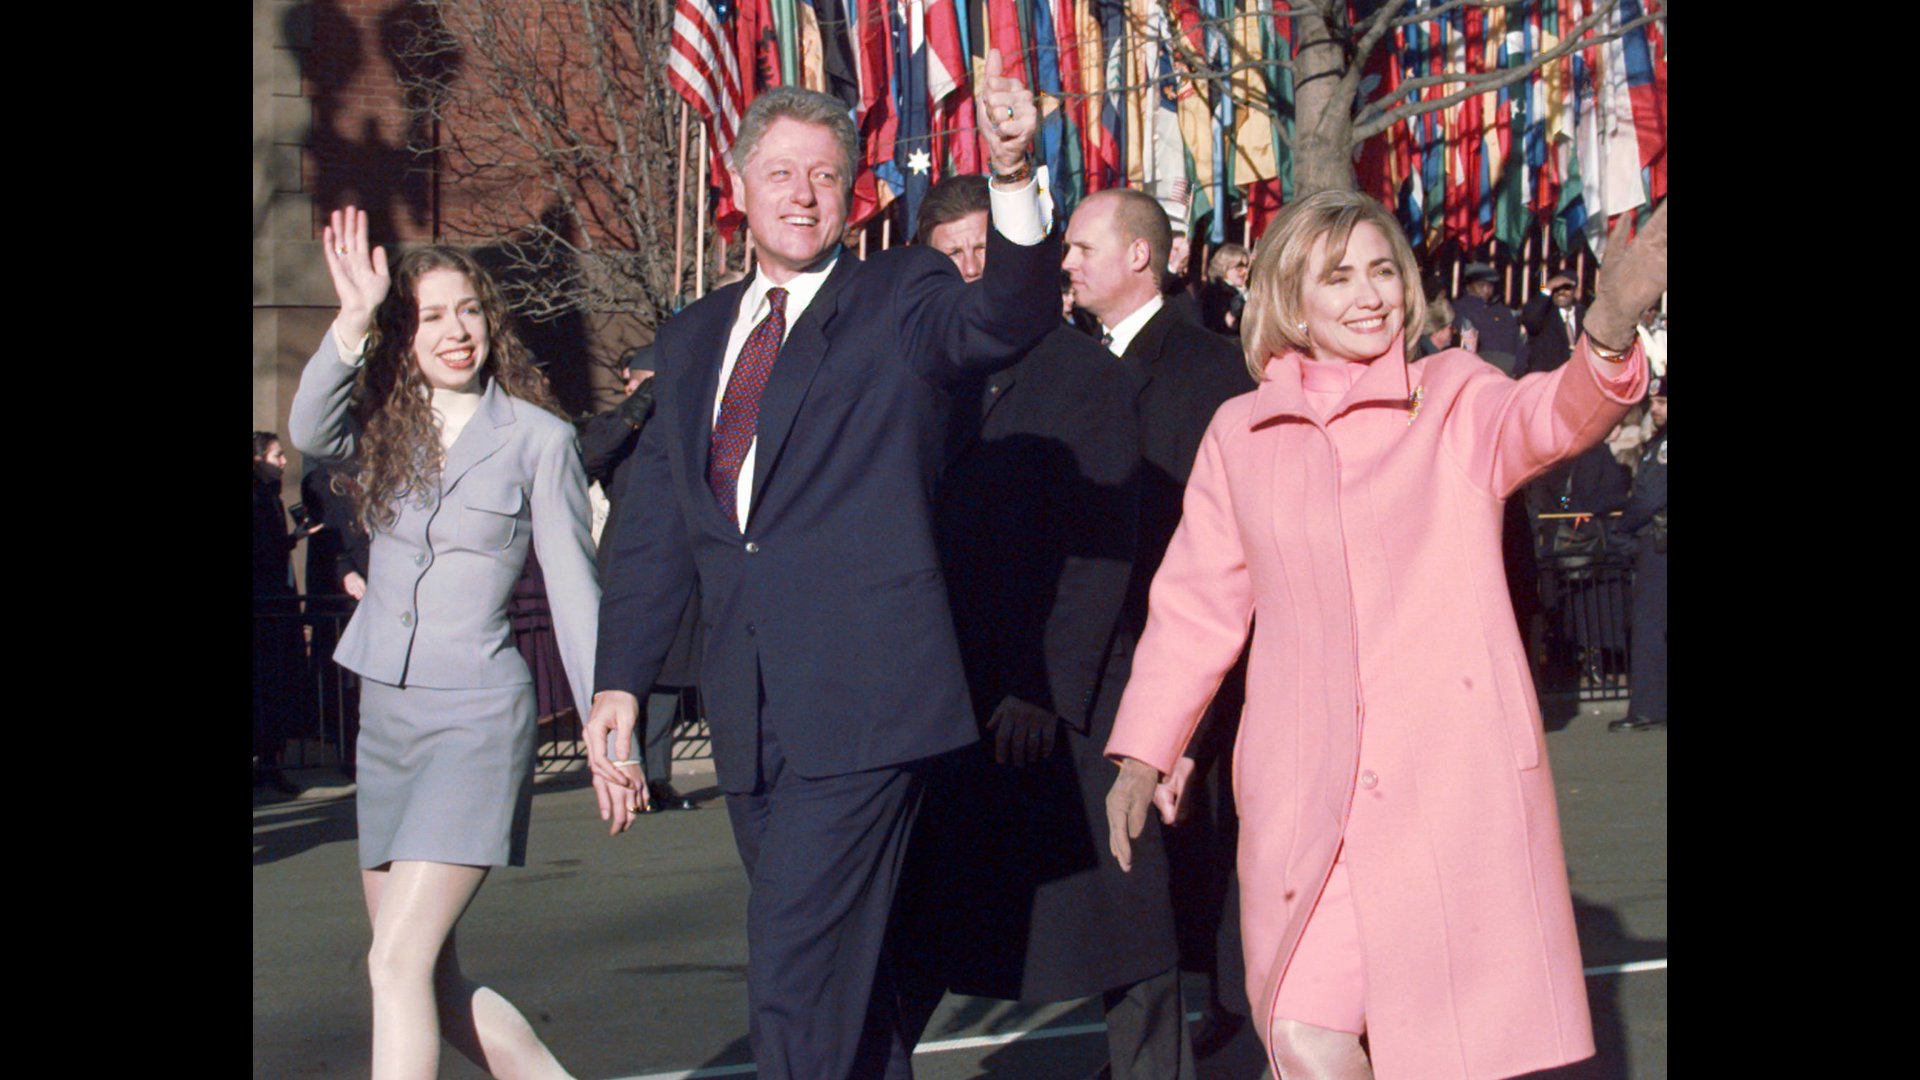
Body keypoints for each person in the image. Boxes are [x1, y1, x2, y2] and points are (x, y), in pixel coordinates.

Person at [1104, 190, 1667, 1079]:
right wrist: (1145, 749)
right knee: (1300, 1033)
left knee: (1443, 1055)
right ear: (1289, 297)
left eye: (1382, 271)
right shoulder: (1238, 433)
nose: (1370, 295)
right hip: (1302, 795)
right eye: (1339, 277)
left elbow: (1548, 419)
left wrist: (1605, 327)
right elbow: (1197, 604)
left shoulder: (1452, 393)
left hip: (1447, 783)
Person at [586, 67, 1056, 1080]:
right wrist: (620, 679)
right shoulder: (693, 336)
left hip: (872, 699)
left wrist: (1012, 178)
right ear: (740, 182)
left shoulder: (901, 294)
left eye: (826, 175)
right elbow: (663, 533)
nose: (803, 193)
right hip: (753, 711)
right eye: (782, 171)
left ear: (853, 194)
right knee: (853, 976)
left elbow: (1003, 321)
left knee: (793, 969)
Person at [289, 206, 601, 1080]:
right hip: (386, 720)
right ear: (404, 332)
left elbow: (575, 589)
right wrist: (351, 320)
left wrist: (607, 721)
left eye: (468, 310)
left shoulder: (539, 440)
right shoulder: (388, 426)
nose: (457, 332)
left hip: (474, 720)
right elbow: (310, 434)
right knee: (422, 971)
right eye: (430, 315)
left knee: (395, 963)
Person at [896, 175, 1187, 1077]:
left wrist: (1044, 689)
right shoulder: (915, 377)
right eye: (956, 255)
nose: (977, 269)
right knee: (918, 936)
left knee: (1124, 927)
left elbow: (1099, 550)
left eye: (992, 248)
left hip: (1059, 702)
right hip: (944, 704)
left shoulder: (1083, 373)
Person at [578, 347, 703, 812]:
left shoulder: (679, 426)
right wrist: (636, 408)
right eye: (630, 384)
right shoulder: (621, 429)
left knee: (668, 680)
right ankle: (621, 762)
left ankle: (658, 775)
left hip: (675, 565)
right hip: (624, 561)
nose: (630, 388)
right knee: (625, 675)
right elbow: (591, 456)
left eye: (639, 381)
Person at [254, 431, 318, 794]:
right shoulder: (260, 498)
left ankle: (270, 760)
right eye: (277, 456)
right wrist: (292, 539)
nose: (283, 462)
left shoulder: (271, 497)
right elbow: (264, 551)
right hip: (266, 605)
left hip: (276, 603)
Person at [1608, 376, 1667, 733]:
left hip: (1657, 543)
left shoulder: (1662, 447)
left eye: (1661, 403)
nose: (1654, 409)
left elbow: (1650, 496)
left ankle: (1647, 707)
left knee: (1648, 627)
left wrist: (1623, 527)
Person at [1452, 262, 1522, 375]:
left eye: (1490, 285)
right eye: (1481, 285)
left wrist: (1518, 367)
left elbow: (1518, 340)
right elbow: (1468, 341)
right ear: (1468, 286)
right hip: (1479, 371)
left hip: (1508, 372)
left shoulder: (1503, 311)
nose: (1486, 289)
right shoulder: (1462, 309)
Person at [1519, 271, 1585, 375]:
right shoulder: (1544, 314)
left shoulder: (1584, 316)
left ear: (1576, 292)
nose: (1561, 292)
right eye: (1556, 289)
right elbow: (1529, 319)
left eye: (1566, 288)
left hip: (1575, 377)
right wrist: (1548, 287)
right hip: (1546, 378)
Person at [1200, 241, 1250, 336]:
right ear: (1224, 267)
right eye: (1239, 268)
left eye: (1246, 267)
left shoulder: (1246, 292)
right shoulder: (1215, 293)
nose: (1244, 272)